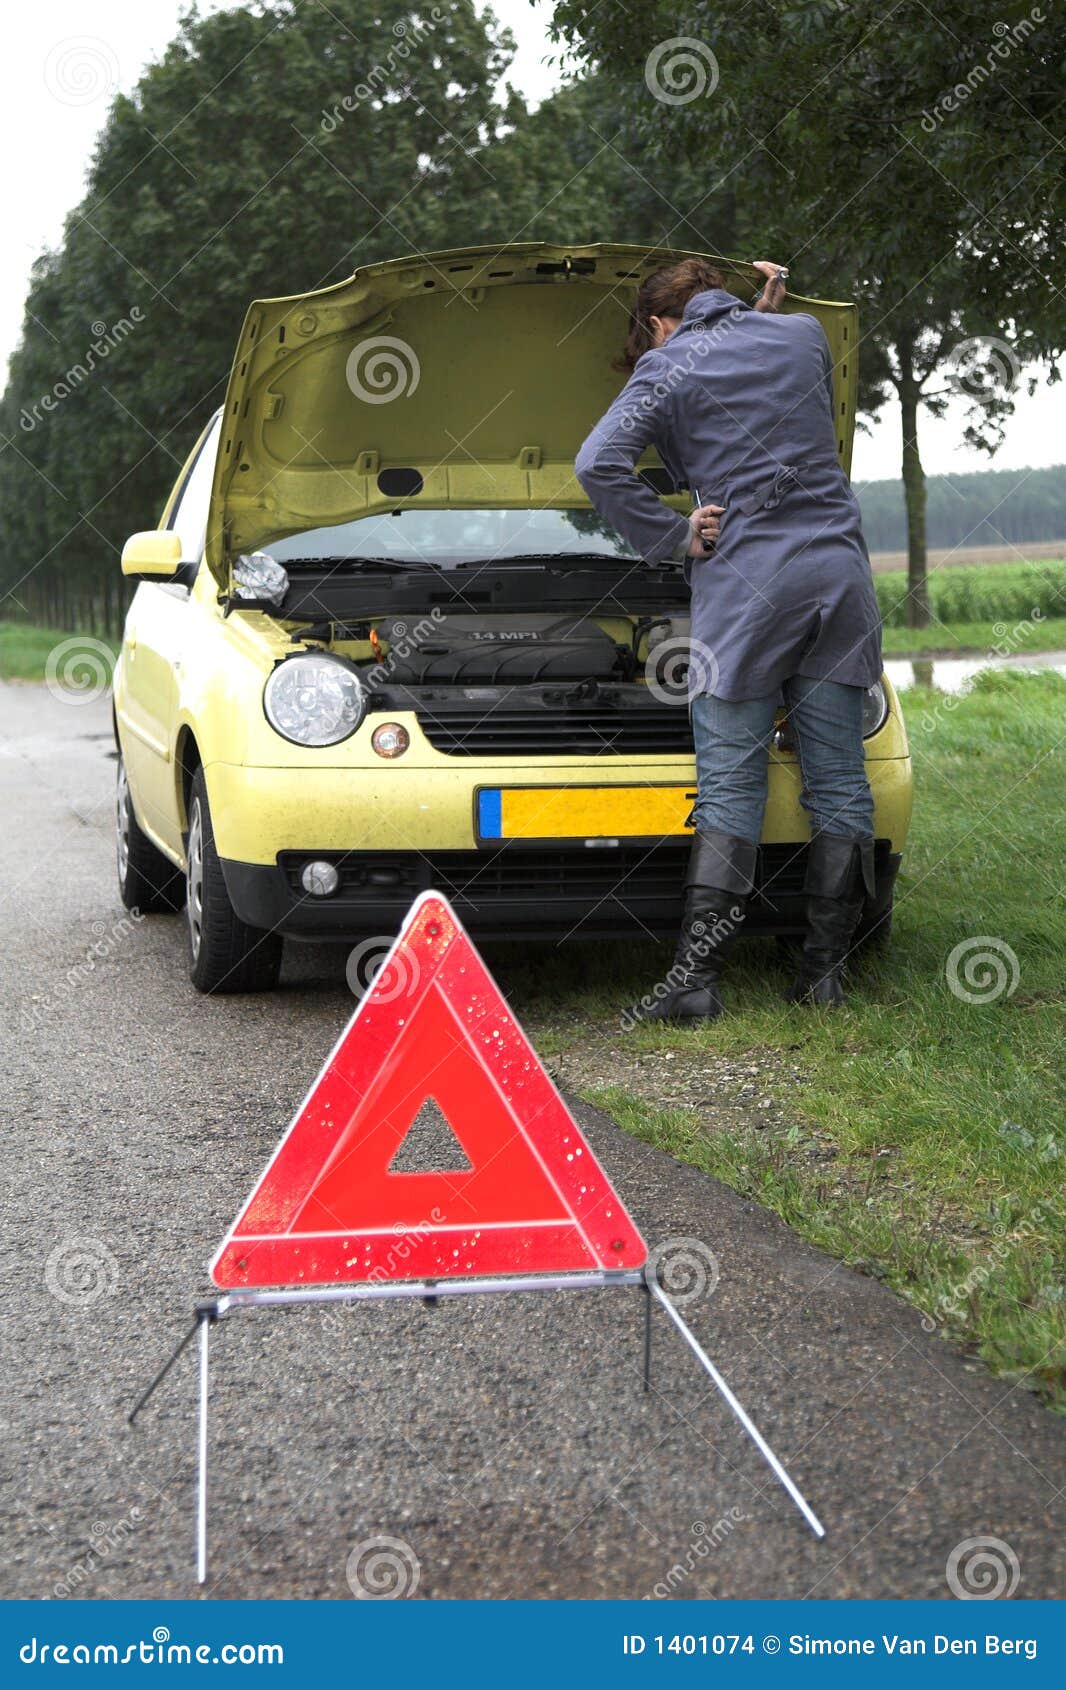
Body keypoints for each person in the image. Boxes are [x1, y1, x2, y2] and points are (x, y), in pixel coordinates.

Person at [575, 257, 883, 1019]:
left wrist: (676, 535)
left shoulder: (665, 364)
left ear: (656, 321)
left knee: (732, 784)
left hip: (748, 589)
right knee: (840, 781)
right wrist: (762, 307)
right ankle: (823, 978)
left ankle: (694, 984)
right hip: (839, 576)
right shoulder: (804, 336)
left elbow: (598, 464)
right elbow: (761, 341)